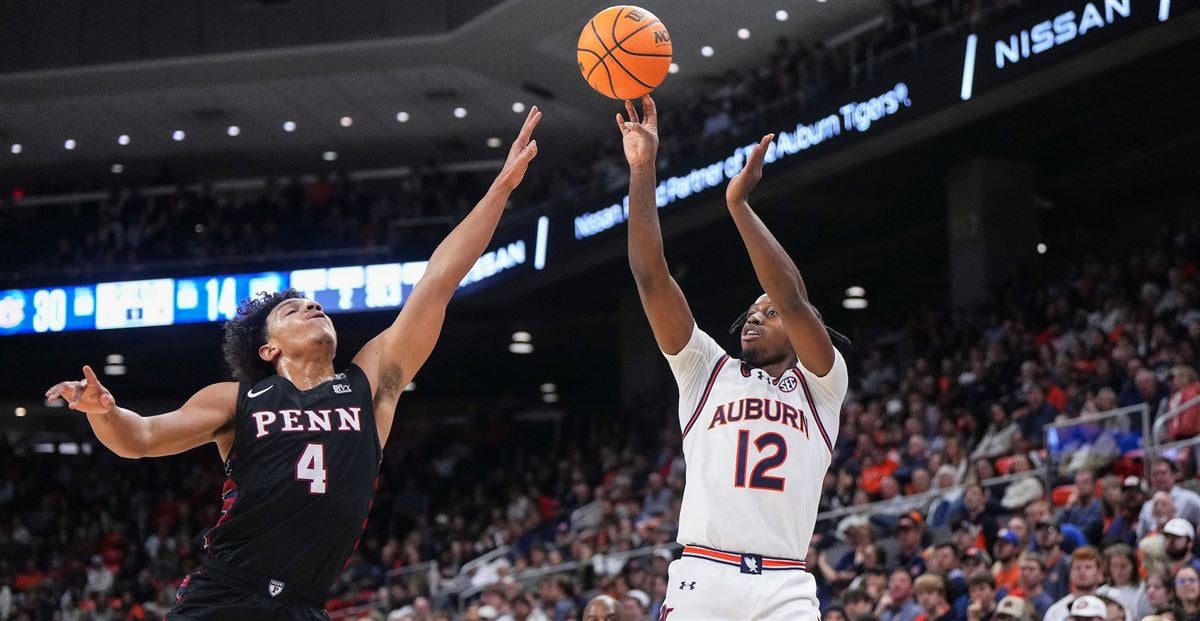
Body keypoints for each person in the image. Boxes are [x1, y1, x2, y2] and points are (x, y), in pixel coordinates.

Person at [44, 108, 543, 621]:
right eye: (292, 309)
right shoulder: (234, 400)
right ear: (268, 350)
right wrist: (104, 412)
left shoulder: (369, 383)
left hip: (304, 605)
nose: (312, 306)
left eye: (315, 304)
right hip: (224, 595)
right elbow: (142, 438)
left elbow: (438, 280)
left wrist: (501, 188)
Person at [617, 95, 848, 621]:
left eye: (767, 313)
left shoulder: (824, 385)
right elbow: (651, 275)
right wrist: (643, 169)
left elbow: (791, 295)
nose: (754, 317)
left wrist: (739, 206)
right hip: (705, 575)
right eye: (750, 311)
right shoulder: (705, 370)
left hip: (787, 583)